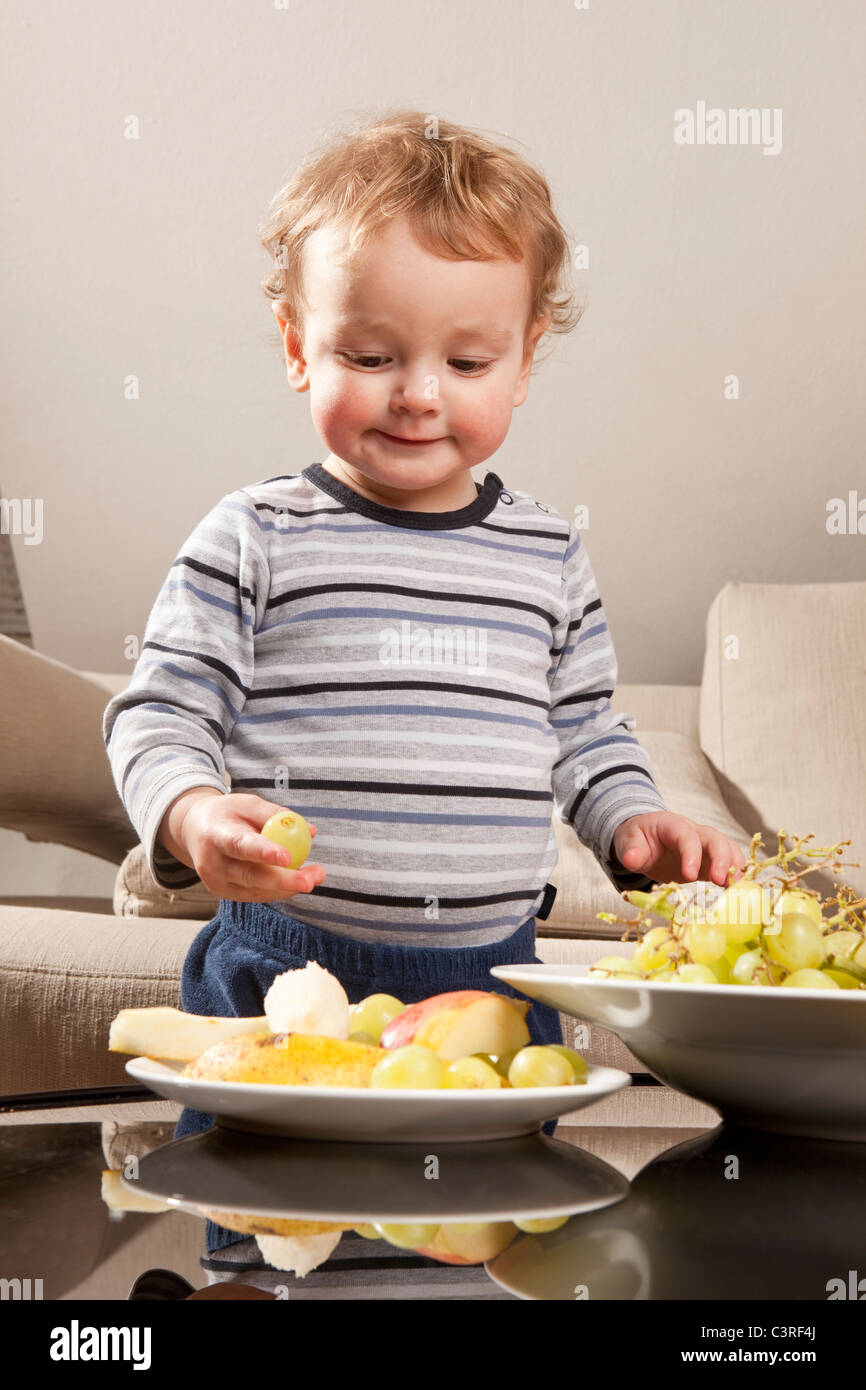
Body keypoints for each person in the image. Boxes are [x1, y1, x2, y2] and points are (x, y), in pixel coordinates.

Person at [102, 109, 746, 1259]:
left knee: (478, 1255)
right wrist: (192, 813)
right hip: (281, 981)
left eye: (465, 360)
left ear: (525, 357)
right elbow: (161, 709)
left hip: (486, 995)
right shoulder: (253, 534)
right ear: (298, 344)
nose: (416, 395)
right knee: (276, 1242)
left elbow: (587, 733)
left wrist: (636, 822)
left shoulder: (546, 553)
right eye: (368, 355)